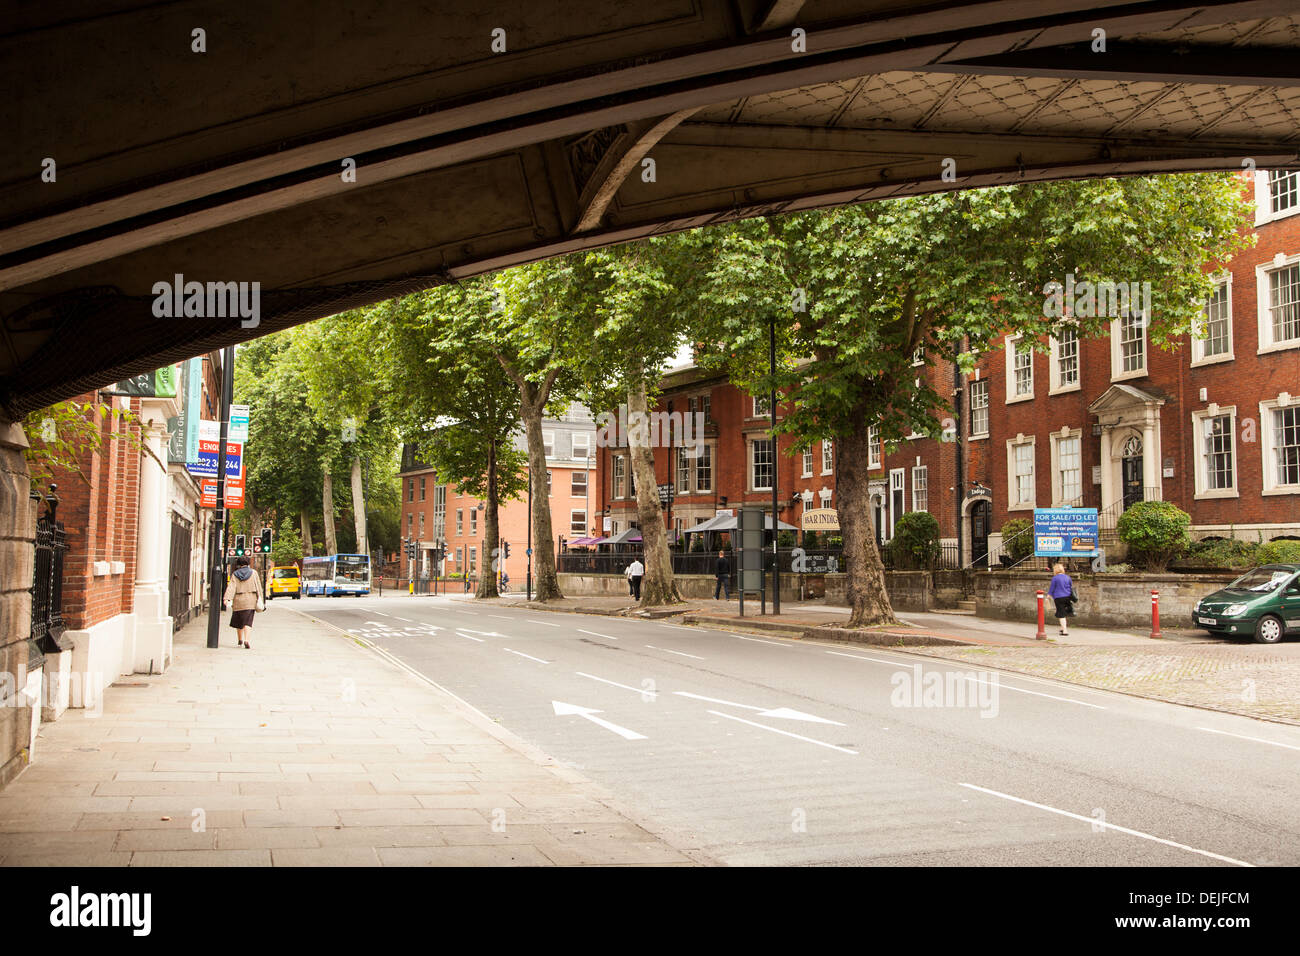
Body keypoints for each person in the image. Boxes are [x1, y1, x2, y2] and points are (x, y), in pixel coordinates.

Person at [223, 556, 263, 648]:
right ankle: (247, 640)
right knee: (248, 622)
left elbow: (231, 587)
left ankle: (240, 641)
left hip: (238, 601)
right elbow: (258, 587)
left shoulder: (235, 574)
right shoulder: (254, 573)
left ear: (239, 564)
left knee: (239, 622)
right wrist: (260, 599)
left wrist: (227, 598)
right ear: (248, 563)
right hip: (251, 600)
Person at [1046, 562, 1076, 636]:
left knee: (1061, 614)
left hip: (1059, 598)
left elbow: (1052, 588)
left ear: (1055, 570)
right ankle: (1062, 628)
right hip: (1067, 597)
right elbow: (1070, 586)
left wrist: (1048, 596)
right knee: (1063, 613)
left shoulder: (1055, 578)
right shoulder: (1067, 577)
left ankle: (1065, 631)